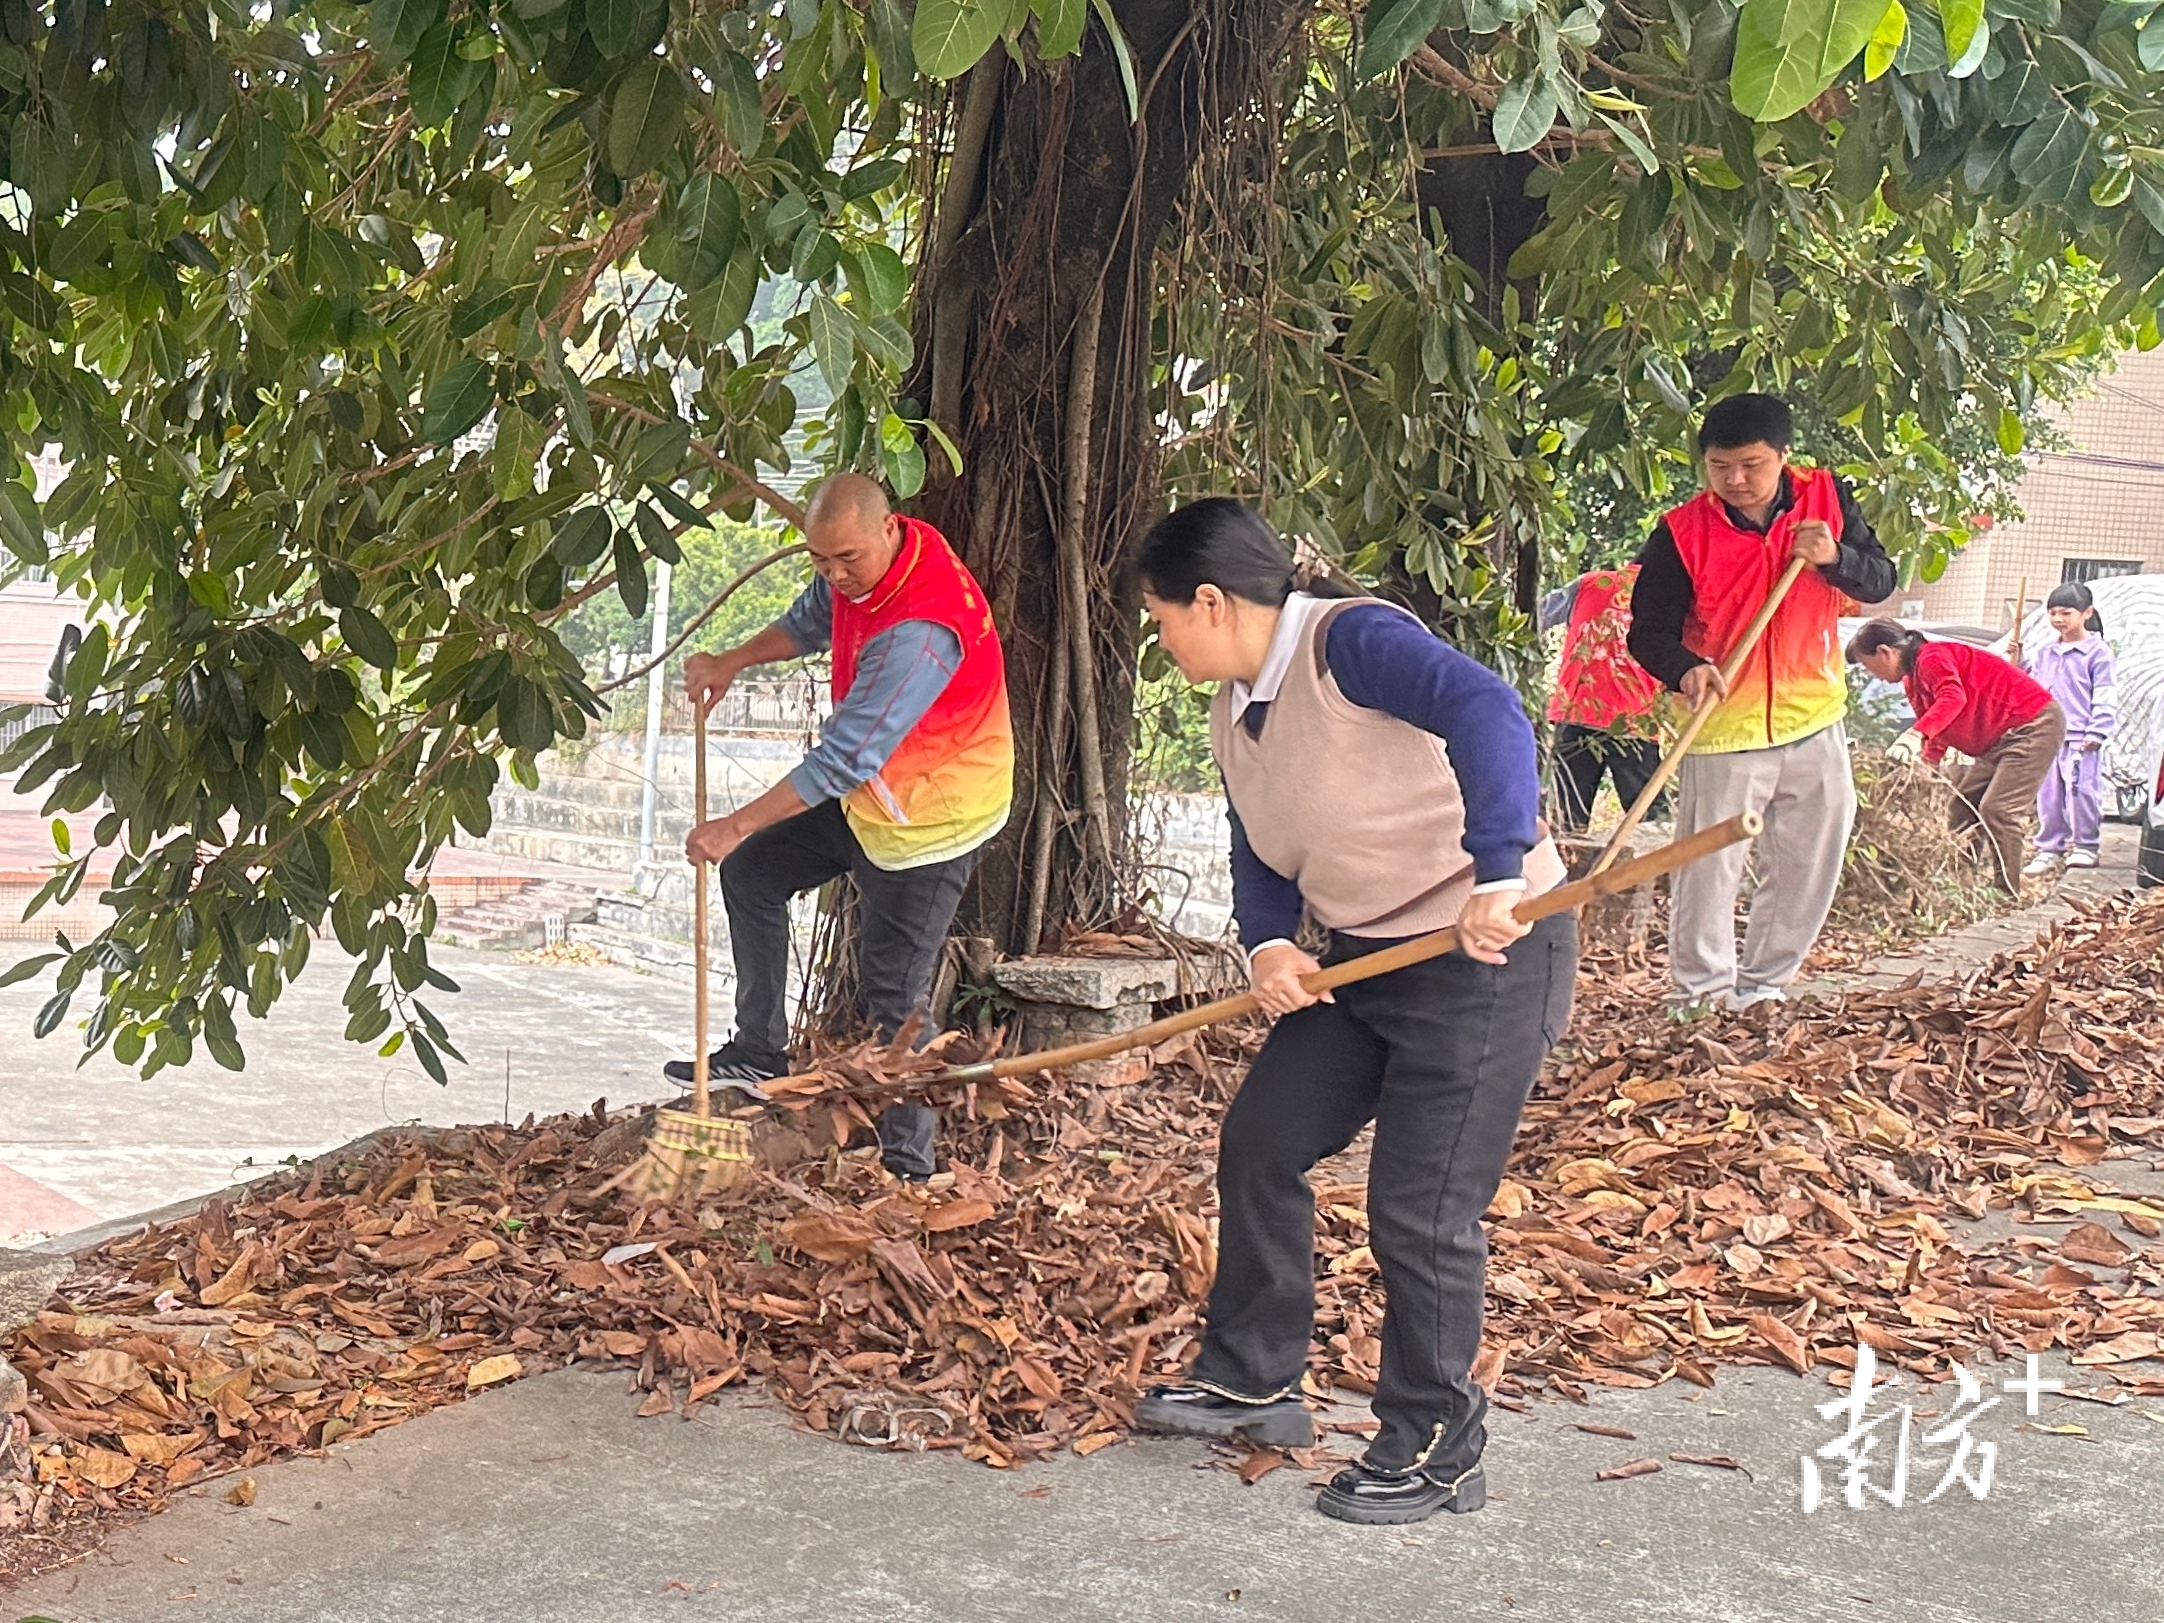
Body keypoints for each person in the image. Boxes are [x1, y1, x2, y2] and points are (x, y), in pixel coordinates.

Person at [1126, 499, 1576, 1526]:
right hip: (1367, 962)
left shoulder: (1351, 642)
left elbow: (1489, 712)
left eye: (1162, 619)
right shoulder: (1236, 701)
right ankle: (1253, 1377)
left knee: (1418, 1211)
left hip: (1485, 956)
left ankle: (1434, 1440)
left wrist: (1498, 871)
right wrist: (1271, 940)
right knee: (1263, 1140)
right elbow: (1258, 837)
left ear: (1210, 600)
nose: (1160, 640)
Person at [664, 474, 1014, 1181]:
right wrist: (733, 661)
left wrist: (733, 824)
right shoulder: (869, 567)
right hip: (873, 797)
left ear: (889, 528)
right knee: (754, 874)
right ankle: (760, 1047)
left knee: (896, 993)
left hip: (931, 818)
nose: (835, 575)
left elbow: (842, 759)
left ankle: (908, 1168)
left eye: (846, 559)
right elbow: (810, 618)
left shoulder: (921, 631)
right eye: (820, 560)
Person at [1625, 393, 1896, 1013]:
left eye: (1751, 465)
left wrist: (1834, 558)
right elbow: (1648, 632)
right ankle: (1700, 994)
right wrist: (1686, 669)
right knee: (1708, 870)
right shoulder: (1680, 532)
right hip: (1725, 726)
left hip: (1815, 717)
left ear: (1783, 457)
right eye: (1720, 467)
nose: (1736, 481)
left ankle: (1767, 984)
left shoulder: (1827, 501)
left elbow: (1880, 579)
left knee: (1809, 859)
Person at [1848, 619, 2065, 892]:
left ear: (1885, 652)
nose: (1874, 675)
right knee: (1963, 808)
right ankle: (1960, 884)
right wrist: (1927, 766)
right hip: (1997, 741)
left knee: (1997, 810)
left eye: (1869, 666)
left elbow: (1953, 698)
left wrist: (1914, 735)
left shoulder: (1932, 658)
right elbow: (1938, 724)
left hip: (2032, 725)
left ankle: (2007, 891)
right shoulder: (1911, 680)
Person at [1540, 564, 1666, 832]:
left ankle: (1565, 872)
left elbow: (1535, 617)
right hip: (1635, 719)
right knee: (1652, 822)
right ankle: (1659, 871)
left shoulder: (1589, 584)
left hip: (1577, 712)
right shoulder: (1671, 593)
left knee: (1565, 820)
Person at [2023, 581, 2117, 874]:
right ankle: (2049, 847)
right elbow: (2032, 687)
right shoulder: (2046, 653)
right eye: (2052, 613)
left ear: (2086, 613)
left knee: (2081, 791)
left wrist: (2097, 730)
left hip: (2081, 736)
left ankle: (2086, 845)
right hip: (2049, 735)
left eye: (2066, 613)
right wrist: (2018, 662)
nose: (2058, 619)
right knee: (2048, 793)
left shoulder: (2098, 653)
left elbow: (2105, 694)